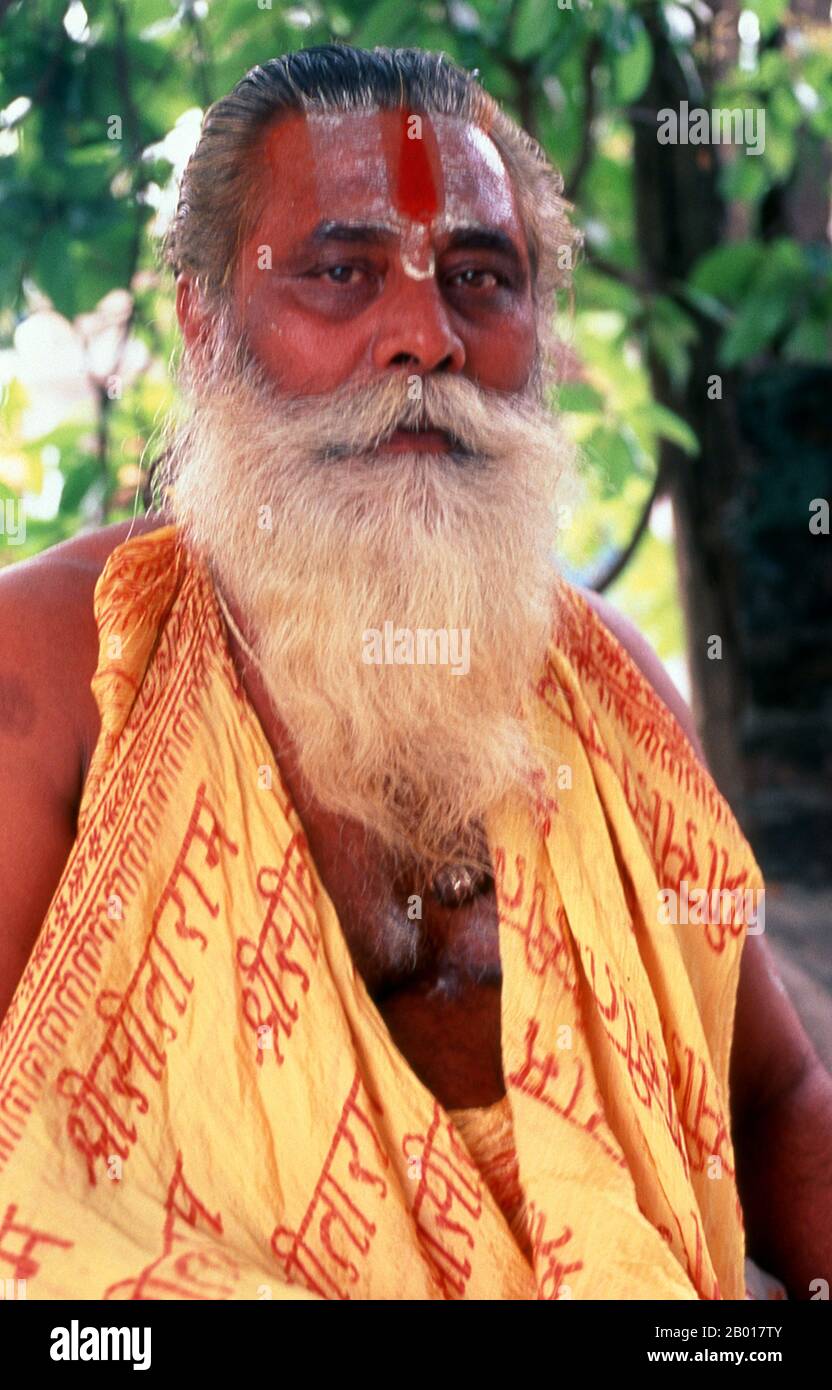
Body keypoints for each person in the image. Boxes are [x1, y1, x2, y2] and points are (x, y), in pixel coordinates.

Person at [0, 44, 828, 1302]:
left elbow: (770, 1097)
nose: (424, 338)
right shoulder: (62, 671)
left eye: (478, 278)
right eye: (342, 271)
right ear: (203, 321)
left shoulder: (608, 696)